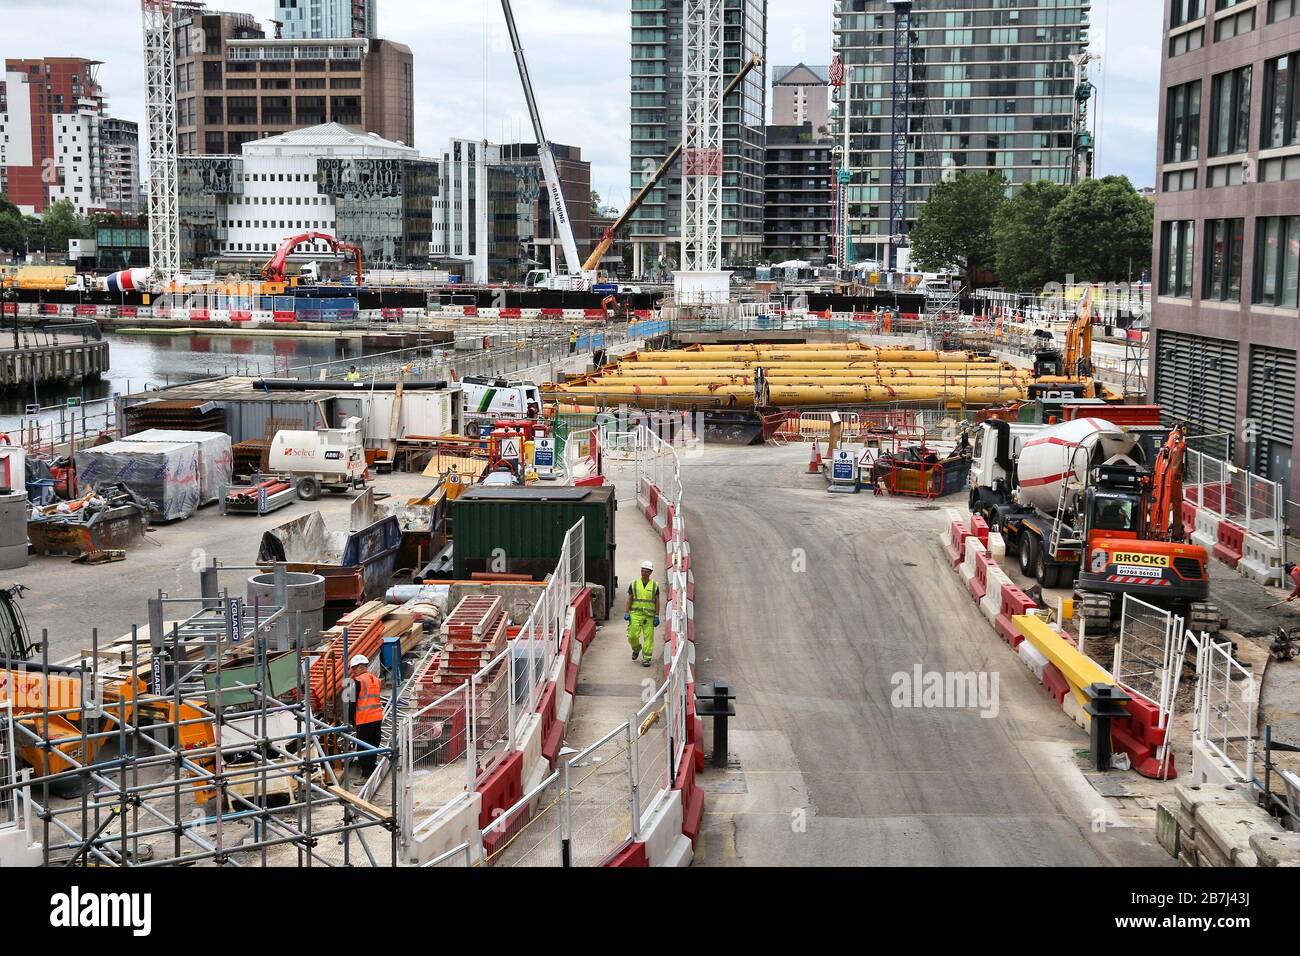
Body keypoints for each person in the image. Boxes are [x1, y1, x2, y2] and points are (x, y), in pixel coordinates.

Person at [348, 654, 384, 779]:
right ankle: (372, 768)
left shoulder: (356, 681)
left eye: (353, 669)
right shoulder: (376, 679)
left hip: (364, 719)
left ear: (359, 667)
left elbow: (351, 703)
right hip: (377, 717)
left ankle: (366, 774)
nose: (353, 672)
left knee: (363, 747)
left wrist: (350, 720)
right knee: (374, 744)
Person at [625, 560, 661, 668]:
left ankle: (646, 658)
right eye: (642, 570)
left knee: (649, 637)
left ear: (650, 572)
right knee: (632, 636)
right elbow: (629, 598)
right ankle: (636, 648)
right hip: (635, 614)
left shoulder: (655, 585)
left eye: (646, 571)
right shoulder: (634, 584)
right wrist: (626, 612)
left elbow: (657, 601)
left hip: (649, 616)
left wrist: (657, 615)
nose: (644, 573)